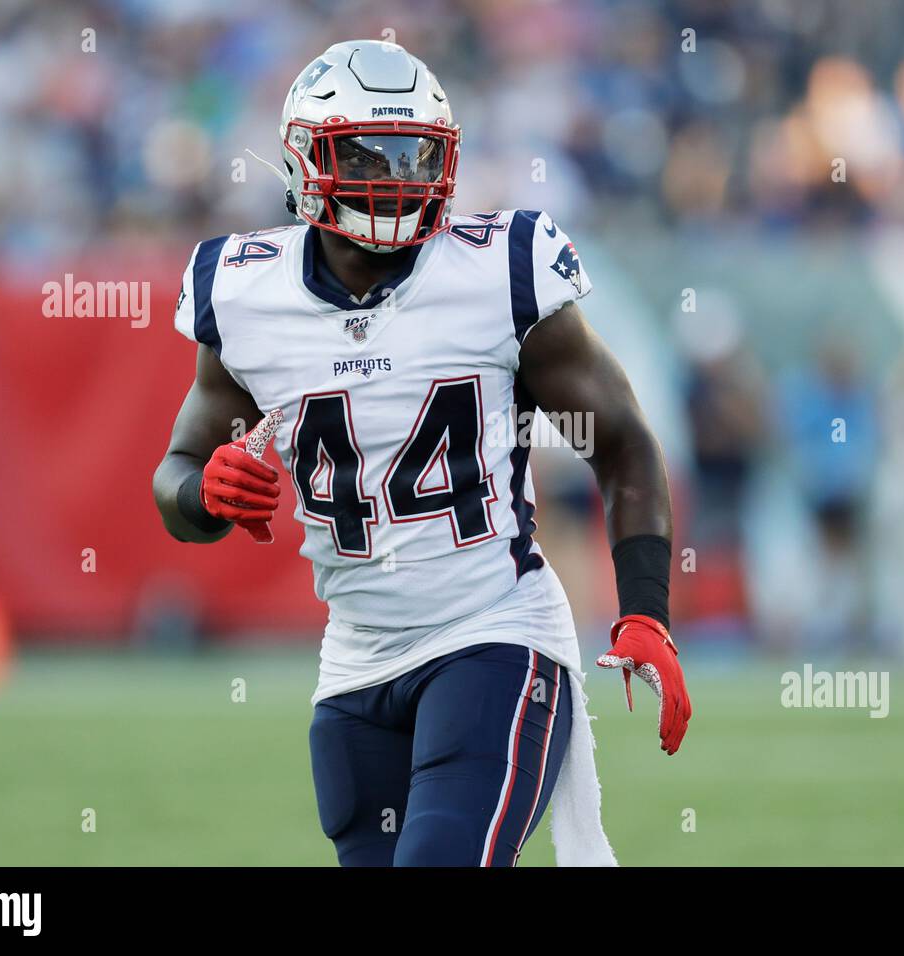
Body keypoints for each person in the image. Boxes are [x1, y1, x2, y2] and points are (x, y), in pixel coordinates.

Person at [152, 40, 690, 867]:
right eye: (367, 152)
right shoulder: (244, 291)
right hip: (357, 658)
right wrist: (204, 495)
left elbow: (619, 442)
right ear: (303, 159)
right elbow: (177, 474)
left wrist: (645, 609)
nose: (394, 176)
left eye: (415, 154)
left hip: (494, 630)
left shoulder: (497, 270)